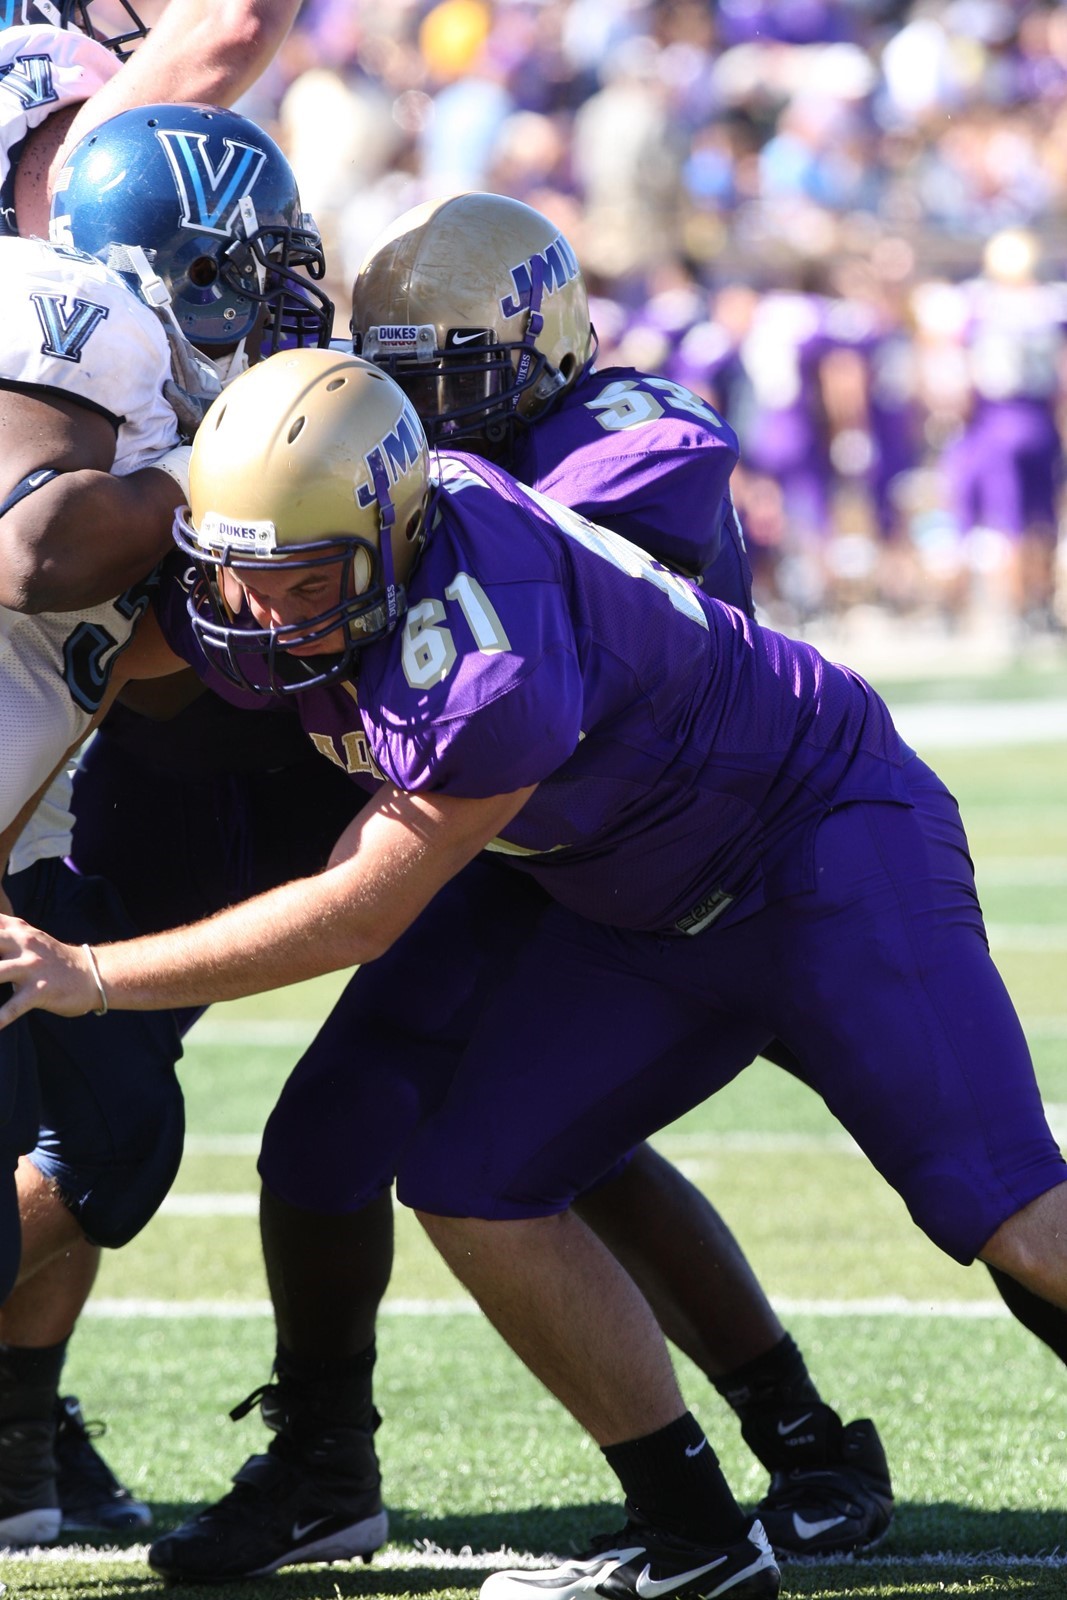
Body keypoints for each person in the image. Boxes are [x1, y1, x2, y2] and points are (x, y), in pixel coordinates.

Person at [3, 346, 1065, 1600]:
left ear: (389, 534)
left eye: (299, 582)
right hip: (631, 904)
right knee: (472, 1183)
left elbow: (360, 907)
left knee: (1004, 1210)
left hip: (818, 850)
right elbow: (106, 674)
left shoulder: (478, 634)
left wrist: (91, 971)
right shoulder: (280, 560)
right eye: (239, 578)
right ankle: (693, 1541)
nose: (264, 613)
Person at [144, 192, 893, 1587]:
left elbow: (475, 607)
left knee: (568, 1154)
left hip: (668, 852)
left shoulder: (625, 443)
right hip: (505, 849)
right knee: (337, 1147)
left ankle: (801, 1444)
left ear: (540, 340)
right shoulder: (419, 478)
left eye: (450, 376)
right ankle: (324, 1462)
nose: (419, 405)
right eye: (399, 372)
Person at [0, 89, 334, 1546]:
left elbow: (117, 664)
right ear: (180, 253)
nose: (273, 291)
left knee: (120, 1129)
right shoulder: (77, 313)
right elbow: (37, 549)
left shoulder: (146, 393)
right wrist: (234, 475)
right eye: (250, 262)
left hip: (26, 847)